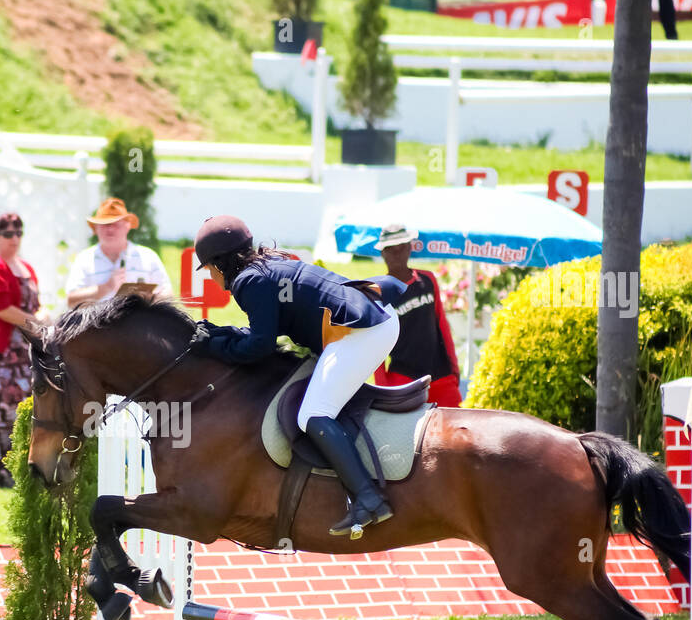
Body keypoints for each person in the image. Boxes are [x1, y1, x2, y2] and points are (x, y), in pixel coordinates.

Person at [189, 215, 405, 539]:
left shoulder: (248, 282)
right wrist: (221, 334)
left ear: (220, 263)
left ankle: (367, 497)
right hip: (370, 320)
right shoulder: (265, 267)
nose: (210, 276)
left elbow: (260, 346)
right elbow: (263, 331)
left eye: (209, 268)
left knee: (312, 414)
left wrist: (214, 346)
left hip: (363, 331)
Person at [0, 212, 43, 488]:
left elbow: (33, 303)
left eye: (19, 233)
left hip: (26, 351)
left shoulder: (24, 266)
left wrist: (40, 316)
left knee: (24, 408)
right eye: (7, 234)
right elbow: (1, 309)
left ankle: (20, 467)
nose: (14, 238)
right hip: (4, 352)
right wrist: (36, 321)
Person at [372, 224, 462, 408]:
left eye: (402, 246)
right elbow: (375, 347)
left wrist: (454, 367)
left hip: (441, 375)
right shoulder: (377, 294)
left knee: (458, 430)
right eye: (391, 249)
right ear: (383, 253)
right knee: (406, 435)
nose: (397, 253)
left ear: (410, 248)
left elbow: (442, 325)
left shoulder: (428, 280)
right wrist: (383, 388)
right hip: (404, 379)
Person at [65, 198, 172, 308]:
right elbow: (71, 301)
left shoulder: (148, 256)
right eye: (105, 224)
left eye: (116, 223)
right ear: (95, 228)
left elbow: (168, 295)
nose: (110, 229)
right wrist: (107, 287)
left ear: (128, 225)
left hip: (140, 324)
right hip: (97, 325)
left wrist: (149, 298)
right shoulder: (84, 258)